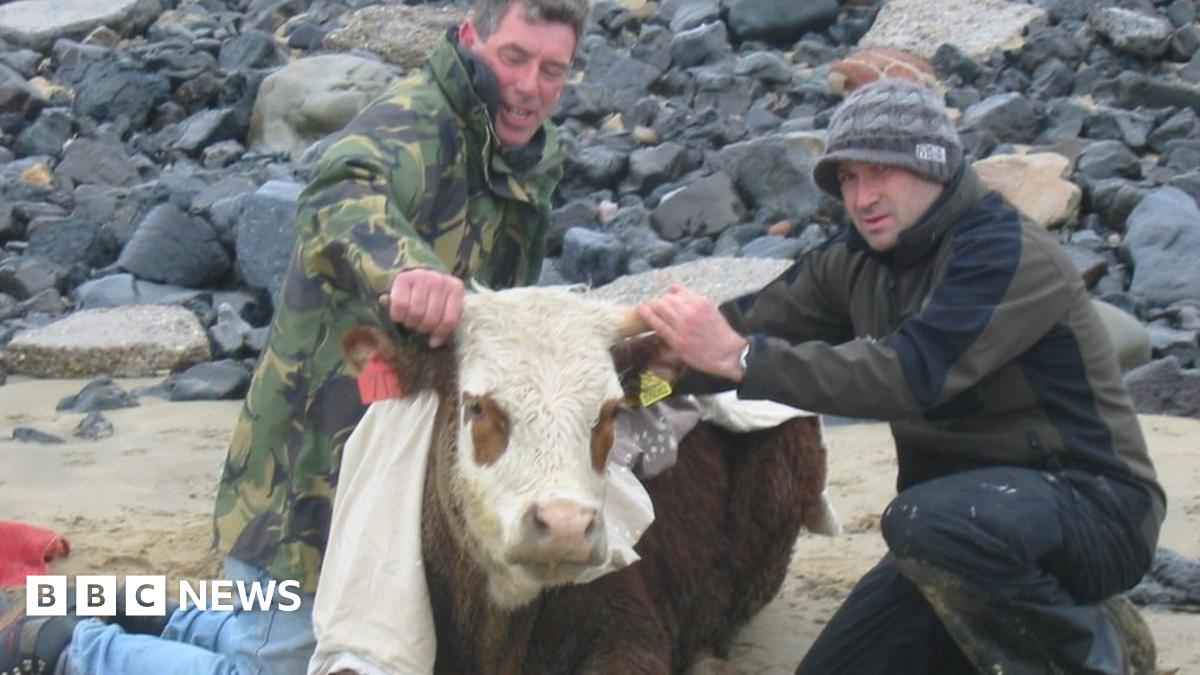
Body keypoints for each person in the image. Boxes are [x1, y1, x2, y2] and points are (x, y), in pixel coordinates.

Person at [0, 0, 588, 673]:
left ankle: (118, 605)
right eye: (513, 56)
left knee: (286, 630)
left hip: (395, 469)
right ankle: (59, 645)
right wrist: (408, 271)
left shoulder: (523, 158)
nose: (529, 86)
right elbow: (343, 193)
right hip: (307, 473)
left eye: (552, 70)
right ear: (468, 39)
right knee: (278, 665)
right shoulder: (412, 125)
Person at [637, 78, 1165, 675]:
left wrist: (742, 359)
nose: (862, 197)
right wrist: (635, 384)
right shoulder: (857, 259)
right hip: (951, 537)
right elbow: (735, 334)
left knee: (925, 519)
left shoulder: (1006, 254)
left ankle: (1097, 656)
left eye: (879, 172)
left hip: (1092, 508)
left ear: (934, 165)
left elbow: (910, 375)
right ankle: (1048, 622)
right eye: (849, 179)